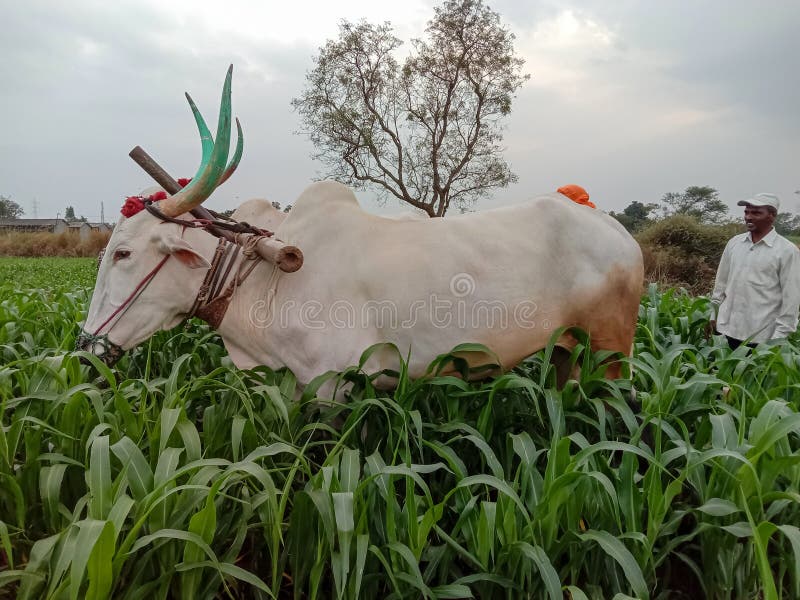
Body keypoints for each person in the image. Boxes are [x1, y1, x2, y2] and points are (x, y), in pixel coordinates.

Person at [711, 192, 800, 349]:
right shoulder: (734, 243)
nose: (748, 217)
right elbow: (721, 284)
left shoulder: (787, 251)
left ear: (771, 216)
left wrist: (778, 339)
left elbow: (791, 299)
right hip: (725, 331)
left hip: (760, 338)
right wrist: (714, 315)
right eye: (746, 212)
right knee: (721, 373)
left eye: (756, 213)